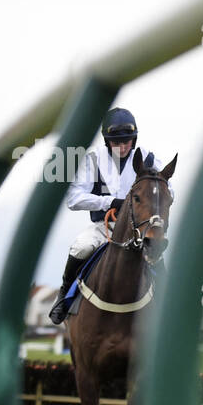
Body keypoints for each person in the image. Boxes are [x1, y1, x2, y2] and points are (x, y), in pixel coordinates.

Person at [48, 107, 161, 324]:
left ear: (133, 139)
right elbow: (73, 198)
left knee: (159, 255)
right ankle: (64, 295)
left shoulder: (148, 158)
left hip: (138, 227)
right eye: (116, 142)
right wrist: (109, 202)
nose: (122, 146)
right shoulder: (91, 160)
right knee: (81, 247)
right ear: (107, 141)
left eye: (126, 141)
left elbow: (168, 188)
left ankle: (168, 305)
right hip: (103, 226)